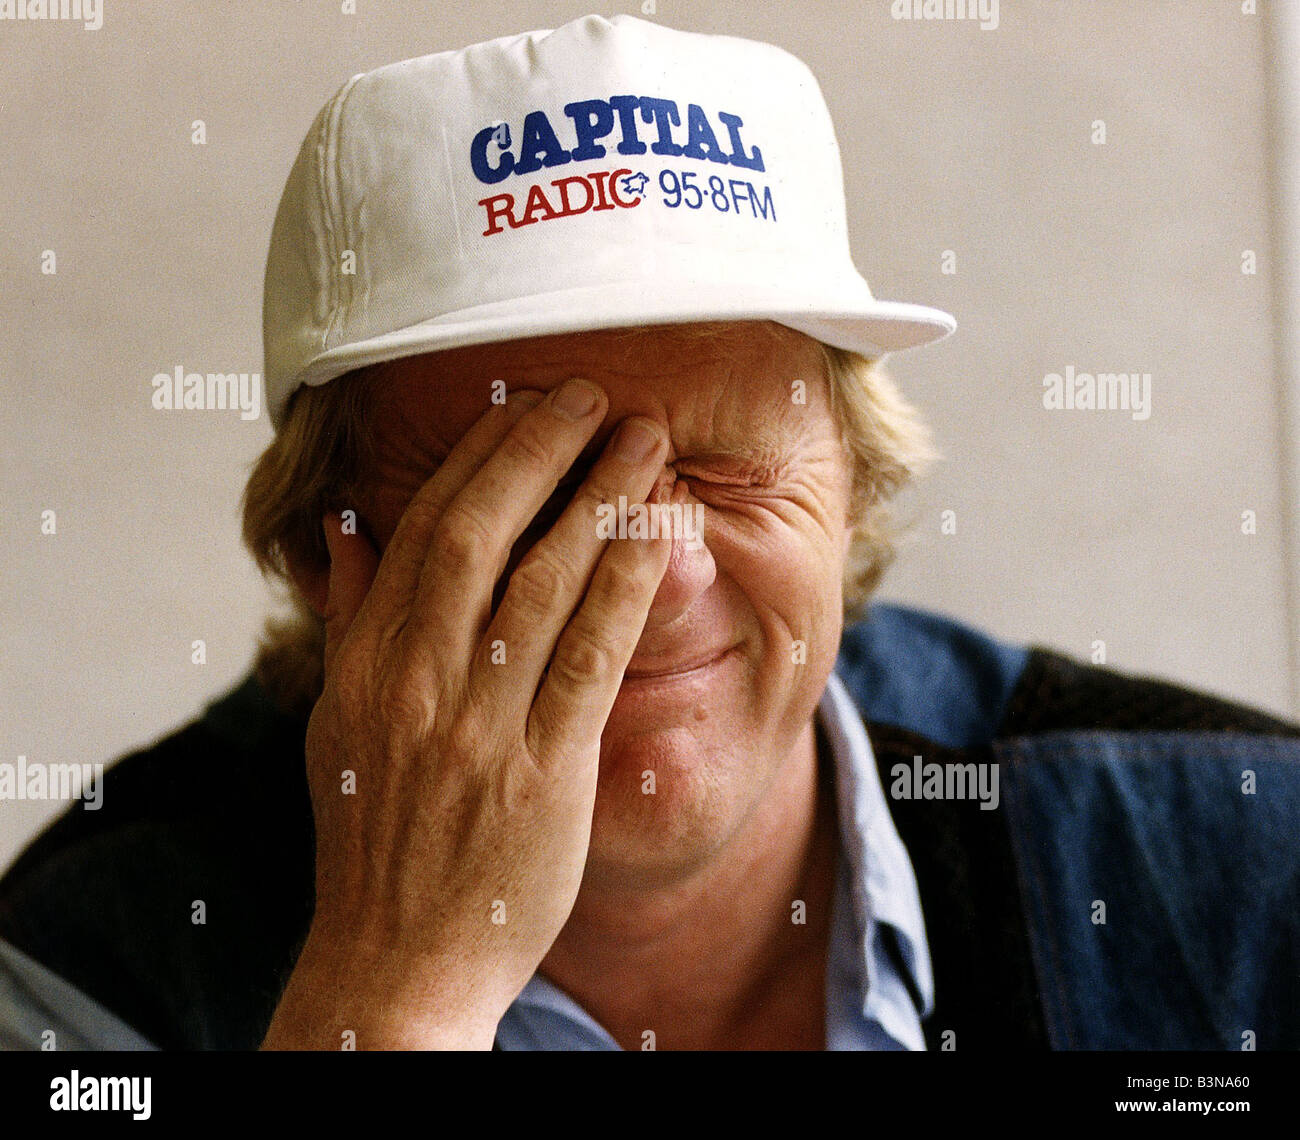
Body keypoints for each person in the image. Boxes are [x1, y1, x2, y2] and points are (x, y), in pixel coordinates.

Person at [2, 13, 1298, 1052]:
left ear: (853, 486)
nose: (662, 576)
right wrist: (391, 997)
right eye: (536, 495)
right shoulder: (83, 974)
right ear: (325, 560)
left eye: (729, 469)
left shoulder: (1246, 845)